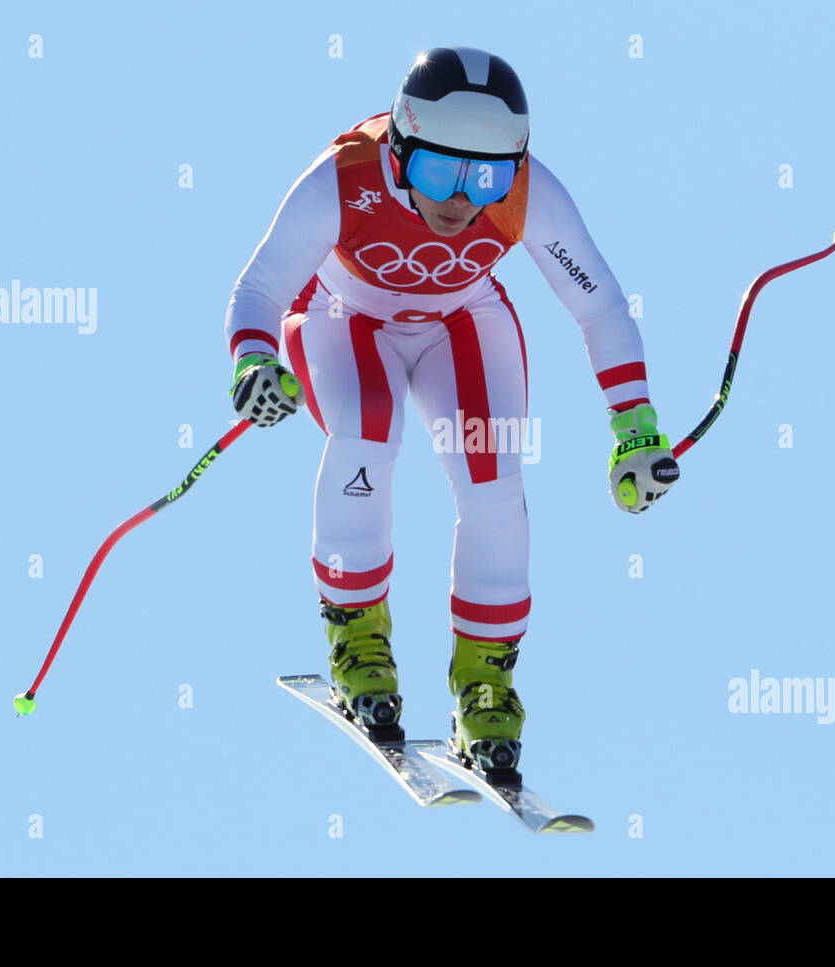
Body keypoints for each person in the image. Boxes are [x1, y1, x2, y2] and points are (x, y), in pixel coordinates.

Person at [225, 46, 679, 778]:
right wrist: (252, 358)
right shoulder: (345, 177)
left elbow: (599, 306)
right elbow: (259, 290)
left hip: (461, 321)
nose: (464, 200)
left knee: (493, 475)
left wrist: (634, 425)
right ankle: (358, 638)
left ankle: (486, 683)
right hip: (346, 317)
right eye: (441, 171)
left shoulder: (528, 194)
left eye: (488, 177)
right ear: (400, 151)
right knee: (368, 429)